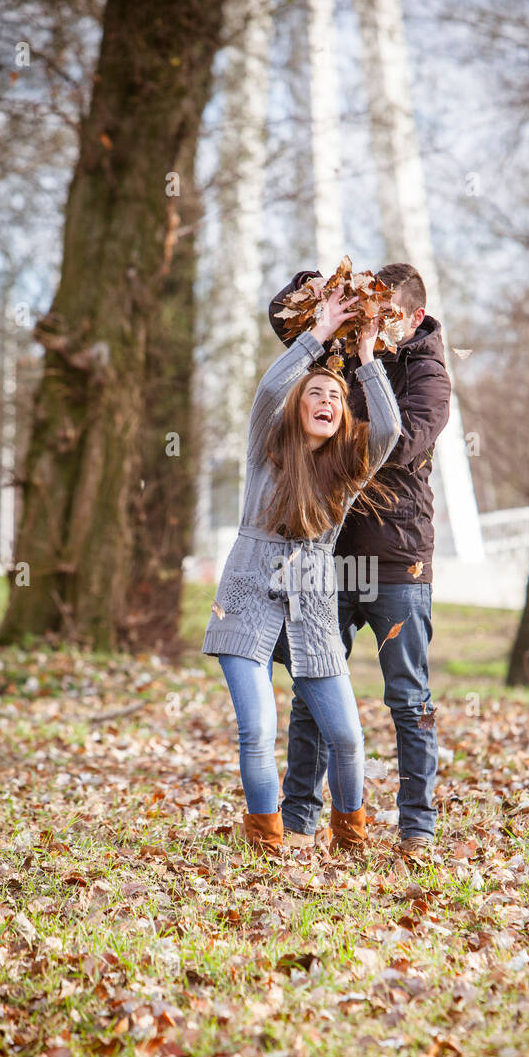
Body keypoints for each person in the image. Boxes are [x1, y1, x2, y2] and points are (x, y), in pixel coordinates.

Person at [202, 285, 401, 854]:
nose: (325, 403)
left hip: (312, 595)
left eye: (334, 400)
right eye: (315, 394)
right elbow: (270, 389)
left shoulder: (344, 470)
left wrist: (366, 360)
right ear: (300, 406)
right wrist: (317, 335)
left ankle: (351, 838)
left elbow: (387, 431)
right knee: (258, 730)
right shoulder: (267, 450)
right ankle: (268, 841)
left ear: (341, 418)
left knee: (347, 736)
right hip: (245, 589)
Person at [268, 263, 450, 854]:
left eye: (387, 315)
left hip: (399, 559)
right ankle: (298, 820)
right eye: (370, 310)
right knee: (313, 687)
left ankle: (416, 828)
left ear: (415, 318)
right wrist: (322, 289)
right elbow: (281, 316)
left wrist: (358, 382)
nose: (374, 323)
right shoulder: (347, 343)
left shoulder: (427, 370)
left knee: (408, 696)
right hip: (331, 552)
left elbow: (403, 444)